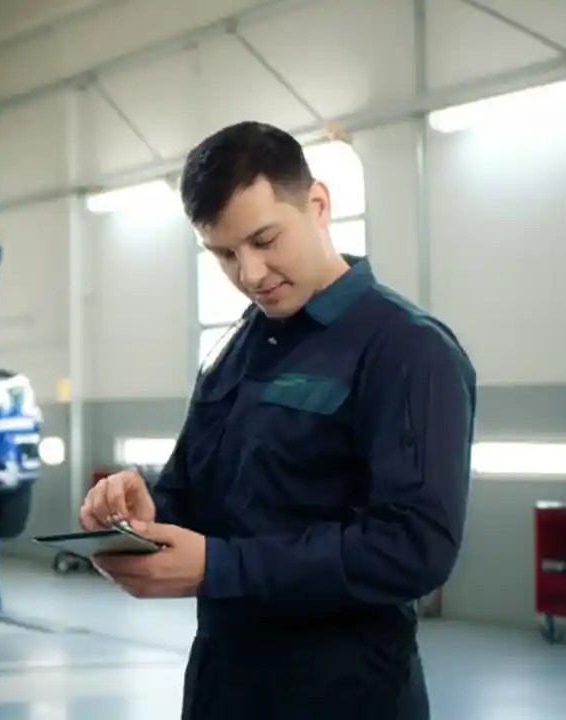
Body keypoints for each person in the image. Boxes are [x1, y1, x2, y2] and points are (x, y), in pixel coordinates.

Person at [79, 121, 476, 720]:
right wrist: (146, 512)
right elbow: (202, 495)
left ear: (318, 205)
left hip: (343, 697)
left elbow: (415, 548)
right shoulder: (236, 350)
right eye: (224, 254)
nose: (251, 274)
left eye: (265, 239)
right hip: (222, 688)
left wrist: (219, 566)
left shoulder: (407, 350)